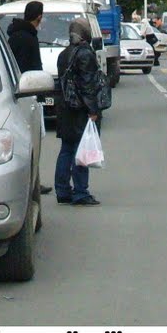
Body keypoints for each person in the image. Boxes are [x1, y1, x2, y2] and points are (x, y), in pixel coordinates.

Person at [53, 19, 106, 206]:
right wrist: (93, 110)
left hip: (65, 107)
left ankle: (62, 190)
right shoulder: (85, 54)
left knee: (66, 149)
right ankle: (81, 192)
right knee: (82, 149)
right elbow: (88, 84)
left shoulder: (63, 54)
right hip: (80, 109)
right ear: (85, 34)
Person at [6, 0, 44, 76]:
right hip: (26, 83)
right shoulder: (30, 38)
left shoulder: (15, 34)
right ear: (39, 17)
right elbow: (35, 66)